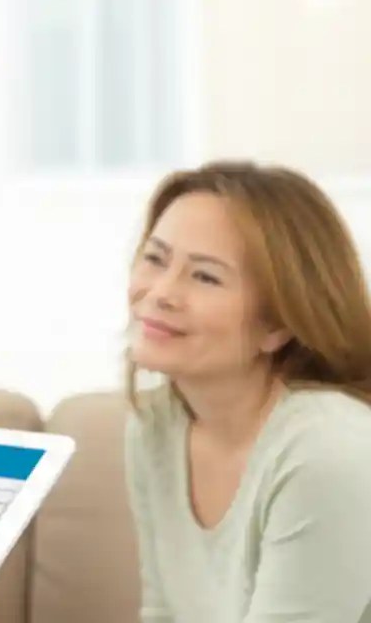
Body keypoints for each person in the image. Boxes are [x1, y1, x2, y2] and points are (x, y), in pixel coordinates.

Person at [123, 162, 371, 622]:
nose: (159, 292)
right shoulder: (154, 424)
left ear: (277, 324)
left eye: (205, 277)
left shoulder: (329, 451)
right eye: (156, 258)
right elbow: (161, 613)